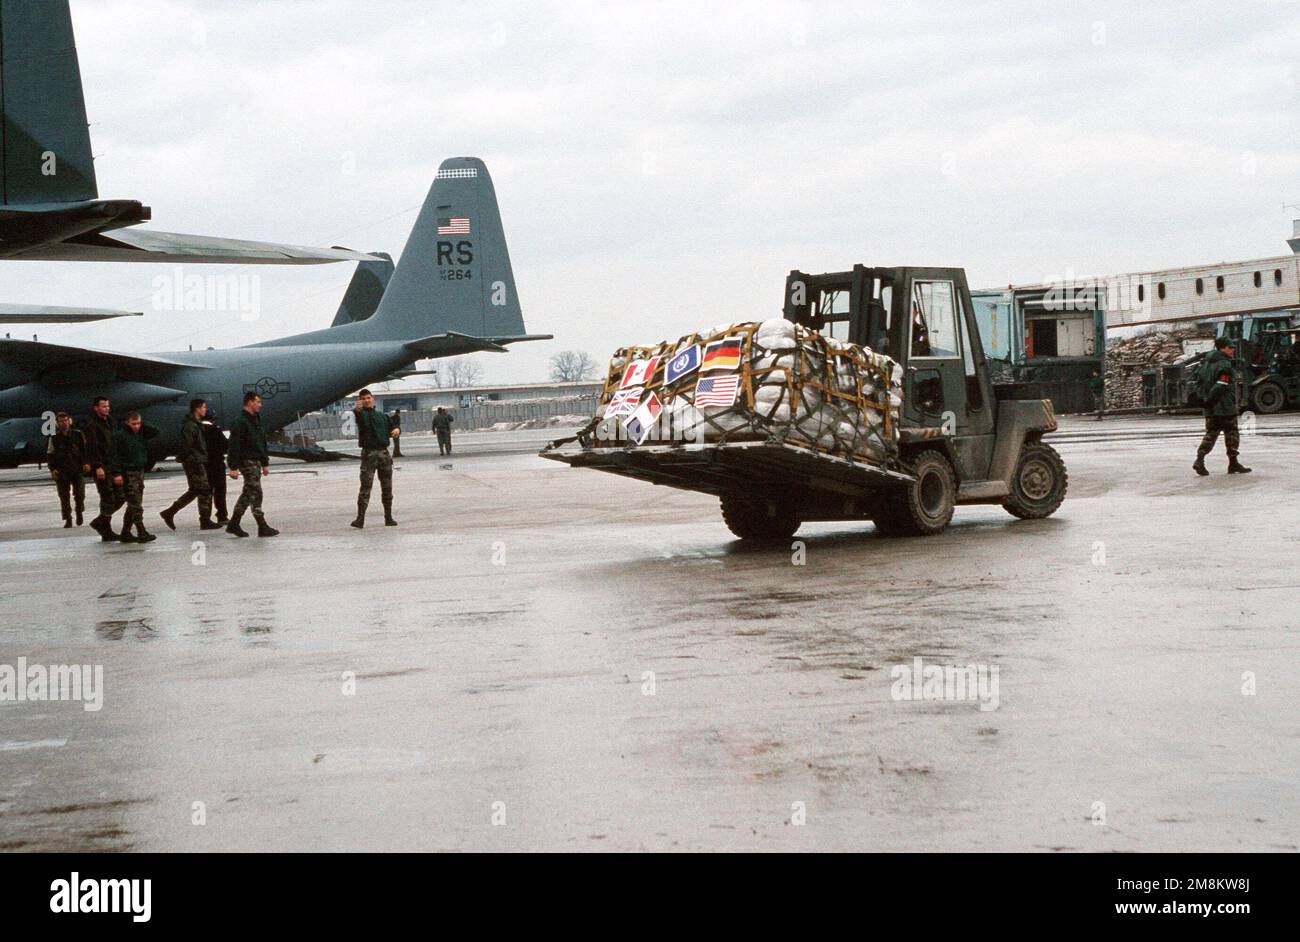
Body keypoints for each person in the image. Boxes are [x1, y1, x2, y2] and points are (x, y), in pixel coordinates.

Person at [160, 399, 221, 531]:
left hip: (196, 460)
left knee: (195, 490)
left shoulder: (195, 424)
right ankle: (204, 520)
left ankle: (170, 512)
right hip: (194, 461)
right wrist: (185, 457)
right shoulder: (191, 426)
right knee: (204, 490)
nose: (205, 410)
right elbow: (187, 445)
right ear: (197, 409)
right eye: (203, 407)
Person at [1194, 336, 1251, 476]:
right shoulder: (1224, 364)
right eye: (1230, 347)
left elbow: (1198, 383)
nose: (1233, 350)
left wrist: (1204, 400)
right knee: (1232, 434)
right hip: (1224, 406)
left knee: (1211, 434)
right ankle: (1233, 463)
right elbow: (1221, 385)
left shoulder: (1204, 364)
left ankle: (1199, 460)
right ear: (1222, 348)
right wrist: (1211, 399)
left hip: (1210, 407)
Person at [226, 392, 279, 538]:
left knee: (253, 492)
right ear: (250, 402)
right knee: (253, 491)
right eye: (258, 402)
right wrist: (233, 467)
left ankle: (239, 524)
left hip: (255, 461)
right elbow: (234, 446)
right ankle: (254, 525)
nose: (260, 405)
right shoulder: (240, 422)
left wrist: (264, 462)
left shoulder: (255, 420)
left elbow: (260, 442)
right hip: (246, 461)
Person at [106, 411, 159, 543]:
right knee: (135, 504)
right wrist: (117, 473)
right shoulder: (119, 436)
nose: (136, 426)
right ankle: (141, 531)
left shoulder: (141, 433)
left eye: (138, 423)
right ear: (127, 423)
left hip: (139, 472)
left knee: (134, 503)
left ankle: (125, 532)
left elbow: (155, 431)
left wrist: (142, 423)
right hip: (127, 473)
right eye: (133, 424)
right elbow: (114, 456)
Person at [351, 388, 398, 528]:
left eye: (368, 397)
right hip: (369, 454)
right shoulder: (361, 415)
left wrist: (396, 430)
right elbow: (359, 418)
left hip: (384, 454)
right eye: (363, 398)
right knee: (365, 487)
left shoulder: (382, 416)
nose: (366, 400)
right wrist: (357, 410)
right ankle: (360, 519)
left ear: (373, 399)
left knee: (387, 487)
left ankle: (388, 517)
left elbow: (392, 428)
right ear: (360, 401)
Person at [83, 396, 124, 541]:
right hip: (103, 466)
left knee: (120, 496)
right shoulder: (92, 425)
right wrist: (98, 467)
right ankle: (106, 530)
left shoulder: (111, 422)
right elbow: (92, 448)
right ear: (96, 408)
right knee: (107, 497)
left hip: (113, 465)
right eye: (103, 406)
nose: (107, 408)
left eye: (108, 406)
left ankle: (100, 521)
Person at [47, 412, 88, 528]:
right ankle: (68, 518)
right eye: (61, 421)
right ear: (57, 423)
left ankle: (79, 511)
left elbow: (85, 450)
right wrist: (53, 469)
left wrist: (86, 463)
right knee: (64, 497)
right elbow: (50, 454)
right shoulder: (54, 438)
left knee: (80, 494)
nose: (64, 423)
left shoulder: (78, 434)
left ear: (69, 421)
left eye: (65, 420)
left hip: (77, 469)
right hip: (62, 470)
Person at [203, 412, 230, 523]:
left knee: (206, 492)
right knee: (220, 491)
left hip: (204, 464)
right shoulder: (215, 429)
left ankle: (206, 517)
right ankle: (222, 516)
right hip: (217, 464)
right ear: (212, 420)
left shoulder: (198, 429)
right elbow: (225, 445)